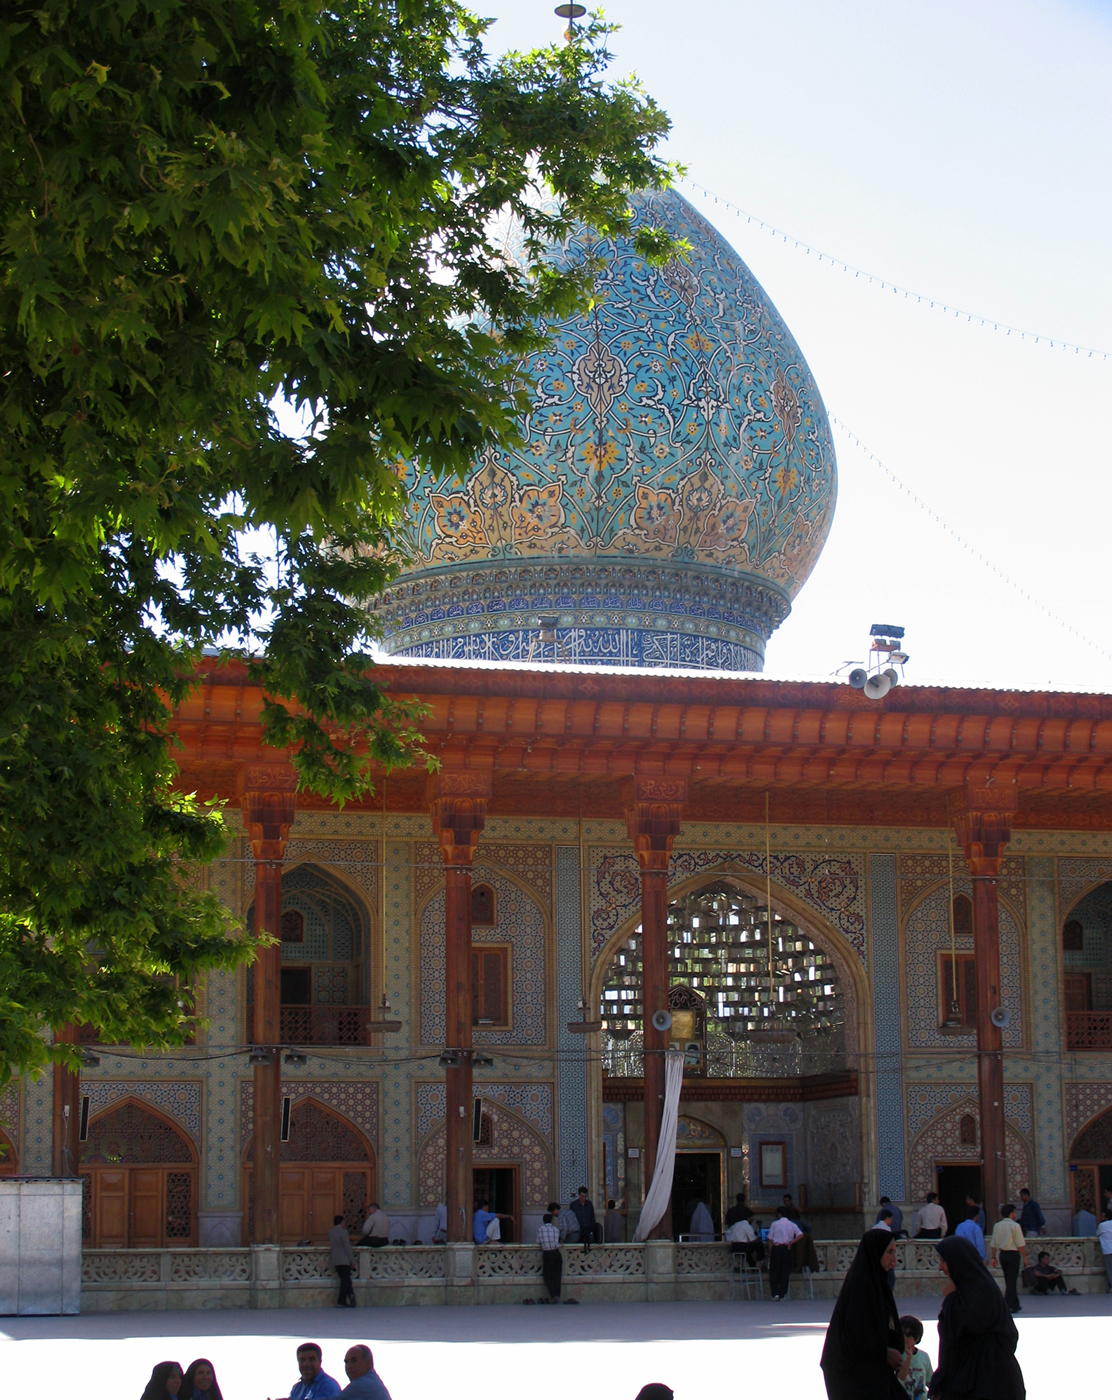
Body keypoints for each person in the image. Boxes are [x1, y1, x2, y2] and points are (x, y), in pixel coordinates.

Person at [931, 1236, 1025, 1399]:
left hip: (989, 1383)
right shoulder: (968, 1293)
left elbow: (962, 1329)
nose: (941, 1268)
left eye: (944, 1261)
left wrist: (951, 1301)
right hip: (973, 1379)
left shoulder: (981, 1294)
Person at [819, 1228, 905, 1399]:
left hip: (868, 1369)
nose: (894, 1260)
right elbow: (858, 1332)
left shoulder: (877, 1282)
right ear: (876, 1252)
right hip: (850, 1373)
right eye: (889, 1252)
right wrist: (885, 1352)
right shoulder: (861, 1285)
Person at [988, 1203, 1029, 1314]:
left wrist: (993, 1257)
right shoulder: (1015, 1226)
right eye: (1015, 1212)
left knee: (1009, 1280)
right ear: (1011, 1213)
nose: (1015, 1214)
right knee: (1012, 1280)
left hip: (1003, 1255)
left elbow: (994, 1243)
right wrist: (1025, 1257)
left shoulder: (997, 1226)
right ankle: (1005, 1304)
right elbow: (1020, 1244)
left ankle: (1015, 1305)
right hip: (1013, 1255)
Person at [268, 1343, 343, 1400]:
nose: (306, 1364)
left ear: (320, 1361)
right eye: (302, 1360)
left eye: (311, 1359)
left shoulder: (328, 1386)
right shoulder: (297, 1388)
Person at [768, 1207, 803, 1301]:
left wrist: (771, 1250)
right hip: (786, 1248)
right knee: (785, 1271)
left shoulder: (774, 1224)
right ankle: (782, 1293)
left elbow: (770, 1239)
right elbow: (800, 1235)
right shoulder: (792, 1224)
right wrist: (791, 1242)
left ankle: (775, 1293)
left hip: (776, 1247)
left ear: (779, 1214)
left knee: (774, 1271)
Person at [898, 1315, 933, 1400]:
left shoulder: (924, 1356)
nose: (904, 1339)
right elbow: (901, 1377)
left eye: (908, 1336)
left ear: (917, 1338)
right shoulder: (897, 1355)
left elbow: (929, 1382)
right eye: (902, 1335)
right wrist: (909, 1357)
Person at [328, 1214, 356, 1309]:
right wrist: (352, 1260)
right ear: (342, 1222)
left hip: (336, 1260)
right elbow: (347, 1247)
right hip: (344, 1260)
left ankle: (346, 1297)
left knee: (345, 1280)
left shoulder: (331, 1232)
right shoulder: (343, 1232)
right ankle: (345, 1298)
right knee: (346, 1280)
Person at [537, 1211, 563, 1303]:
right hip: (556, 1253)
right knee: (557, 1276)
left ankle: (553, 1295)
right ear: (552, 1220)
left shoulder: (541, 1229)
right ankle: (557, 1295)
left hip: (547, 1254)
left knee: (547, 1276)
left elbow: (538, 1241)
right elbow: (559, 1241)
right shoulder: (556, 1229)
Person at [1097, 1206, 1112, 1291]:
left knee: (1110, 1270)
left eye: (1102, 1216)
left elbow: (1098, 1234)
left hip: (1108, 1250)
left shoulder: (1102, 1225)